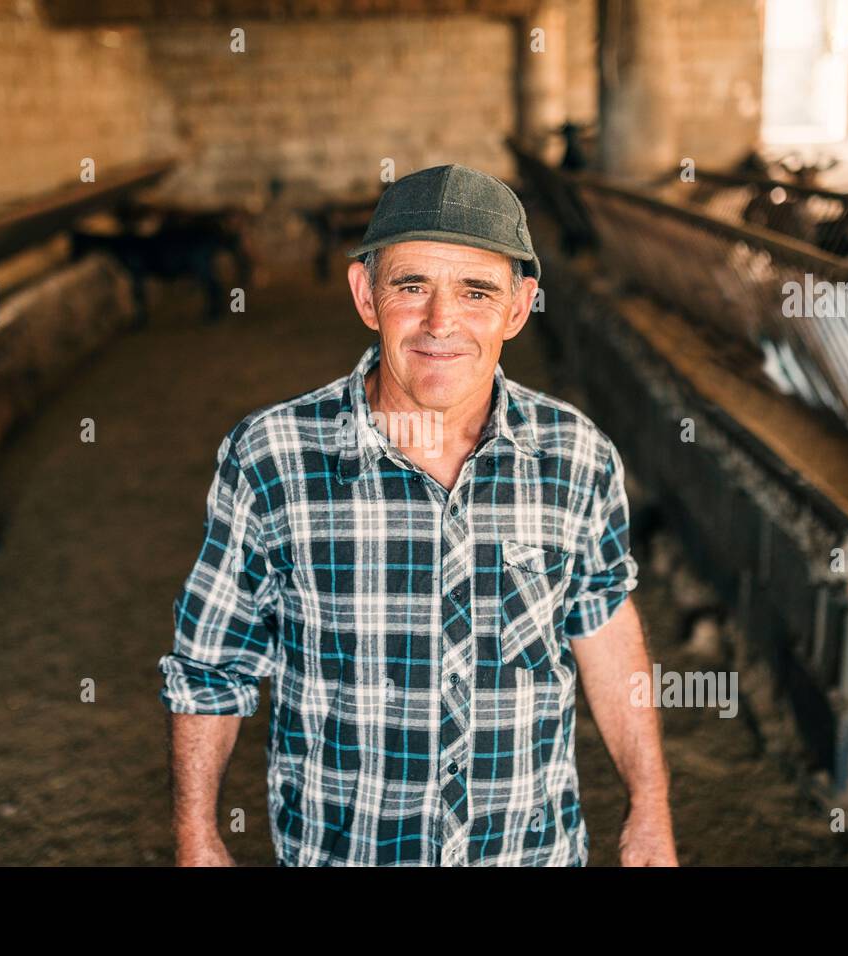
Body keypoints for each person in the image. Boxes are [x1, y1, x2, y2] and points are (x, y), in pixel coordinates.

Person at [159, 163, 678, 867]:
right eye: (411, 287)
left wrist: (649, 807)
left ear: (520, 308)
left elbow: (606, 629)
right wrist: (198, 834)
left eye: (476, 292)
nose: (441, 323)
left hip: (527, 853)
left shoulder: (575, 456)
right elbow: (211, 665)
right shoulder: (271, 458)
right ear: (366, 295)